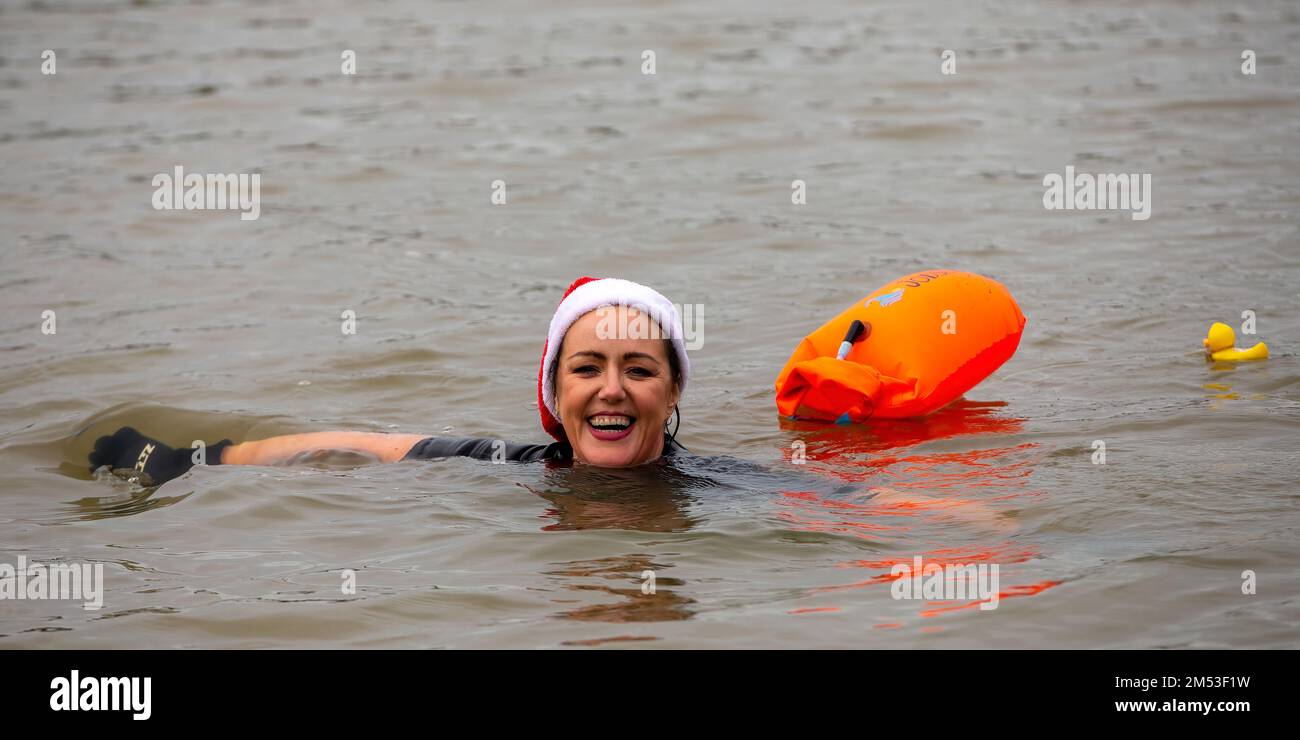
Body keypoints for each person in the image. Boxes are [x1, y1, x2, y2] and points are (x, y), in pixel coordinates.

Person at [88, 277, 692, 486]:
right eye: (587, 368)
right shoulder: (519, 466)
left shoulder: (722, 493)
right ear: (554, 395)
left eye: (638, 369)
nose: (612, 389)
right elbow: (364, 446)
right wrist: (195, 460)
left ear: (671, 395)